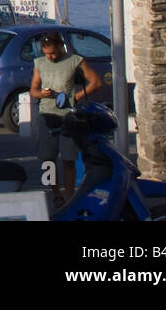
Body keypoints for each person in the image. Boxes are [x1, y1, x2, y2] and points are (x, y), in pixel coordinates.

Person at [30, 31, 104, 207]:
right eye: (46, 54)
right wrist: (42, 93)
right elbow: (33, 89)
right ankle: (55, 194)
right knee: (47, 160)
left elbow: (96, 82)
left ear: (60, 46)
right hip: (47, 115)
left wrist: (76, 97)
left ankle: (69, 196)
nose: (50, 57)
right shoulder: (40, 63)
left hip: (68, 117)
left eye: (53, 53)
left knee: (68, 159)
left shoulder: (75, 61)